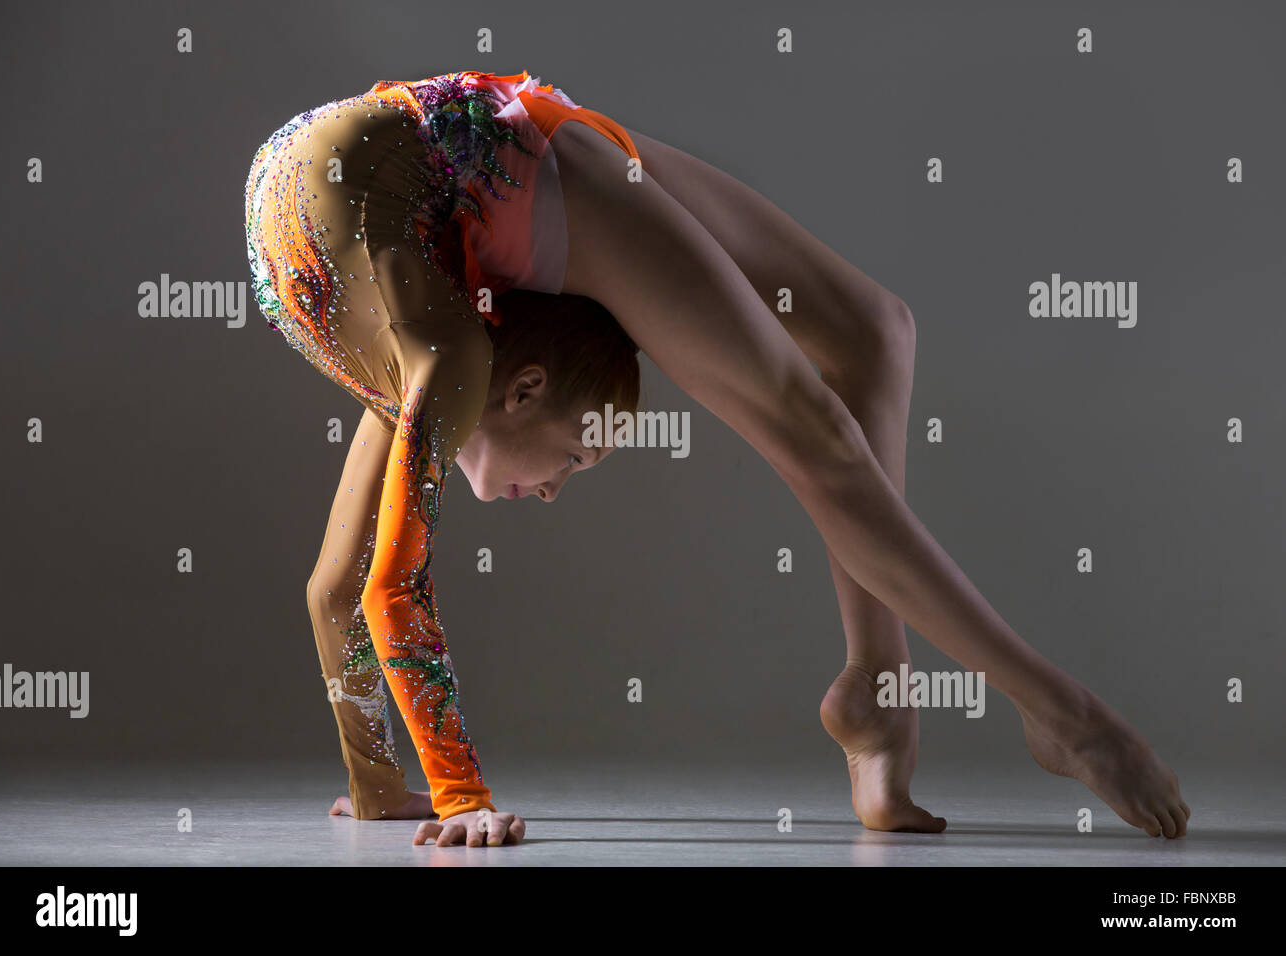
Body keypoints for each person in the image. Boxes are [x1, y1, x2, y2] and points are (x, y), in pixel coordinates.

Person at [244, 69, 1189, 848]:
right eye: (578, 457)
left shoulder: (438, 360)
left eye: (571, 463)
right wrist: (448, 798)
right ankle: (1067, 716)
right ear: (522, 390)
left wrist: (385, 783)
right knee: (830, 400)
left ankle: (879, 686)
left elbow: (351, 586)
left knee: (874, 332)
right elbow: (373, 588)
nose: (554, 490)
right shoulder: (440, 358)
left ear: (523, 390)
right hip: (394, 166)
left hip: (454, 150)